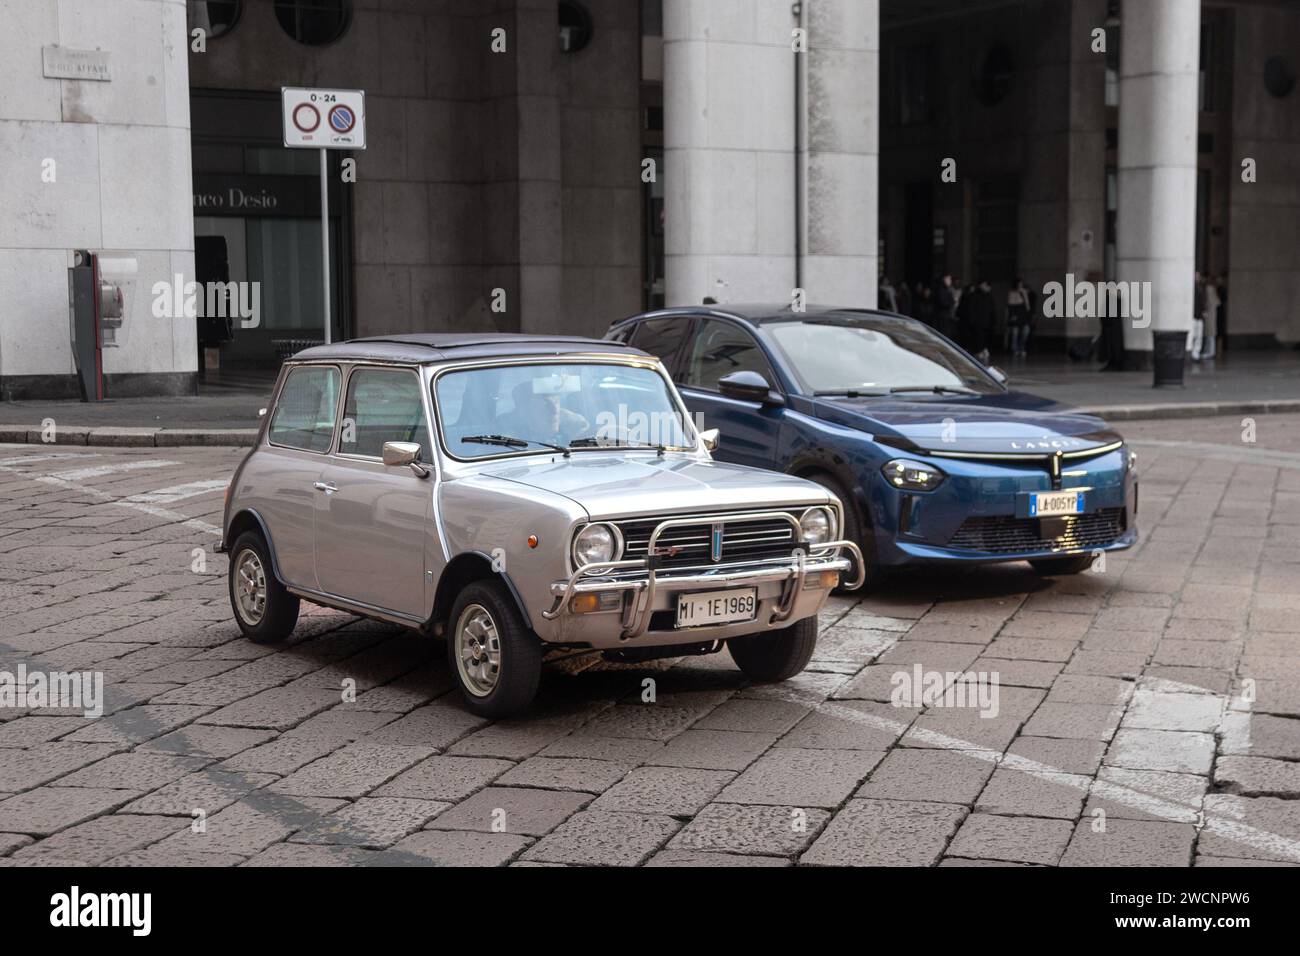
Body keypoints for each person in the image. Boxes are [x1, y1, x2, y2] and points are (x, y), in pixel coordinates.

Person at [503, 379, 589, 446]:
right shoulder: (506, 442)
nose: (555, 411)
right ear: (525, 410)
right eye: (545, 403)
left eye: (556, 401)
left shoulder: (577, 426)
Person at [1006, 277, 1031, 356]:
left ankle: (1022, 347)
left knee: (1025, 331)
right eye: (1019, 284)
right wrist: (1013, 315)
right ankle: (1015, 349)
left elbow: (1027, 306)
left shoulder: (1023, 292)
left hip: (1023, 315)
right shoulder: (1012, 293)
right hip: (1015, 315)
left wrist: (1024, 294)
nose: (1020, 285)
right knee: (1015, 333)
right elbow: (1010, 305)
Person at [1187, 272, 1206, 361]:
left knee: (1199, 335)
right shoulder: (1191, 288)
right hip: (1193, 315)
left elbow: (1203, 301)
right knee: (1193, 335)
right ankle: (1192, 353)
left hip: (1200, 316)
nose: (1197, 278)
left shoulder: (1201, 288)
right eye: (1196, 276)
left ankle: (1196, 353)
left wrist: (1204, 311)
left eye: (1198, 276)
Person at [1202, 277, 1220, 360]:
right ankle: (1210, 351)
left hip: (1210, 315)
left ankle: (1210, 352)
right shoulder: (1213, 290)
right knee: (1210, 335)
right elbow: (1217, 302)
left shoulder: (1208, 290)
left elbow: (1209, 302)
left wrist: (1205, 311)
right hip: (1212, 314)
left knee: (1209, 335)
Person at [932, 275, 956, 339]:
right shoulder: (941, 290)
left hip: (945, 315)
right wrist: (952, 301)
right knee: (943, 334)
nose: (950, 281)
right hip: (942, 316)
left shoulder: (946, 289)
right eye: (949, 280)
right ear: (945, 280)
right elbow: (943, 303)